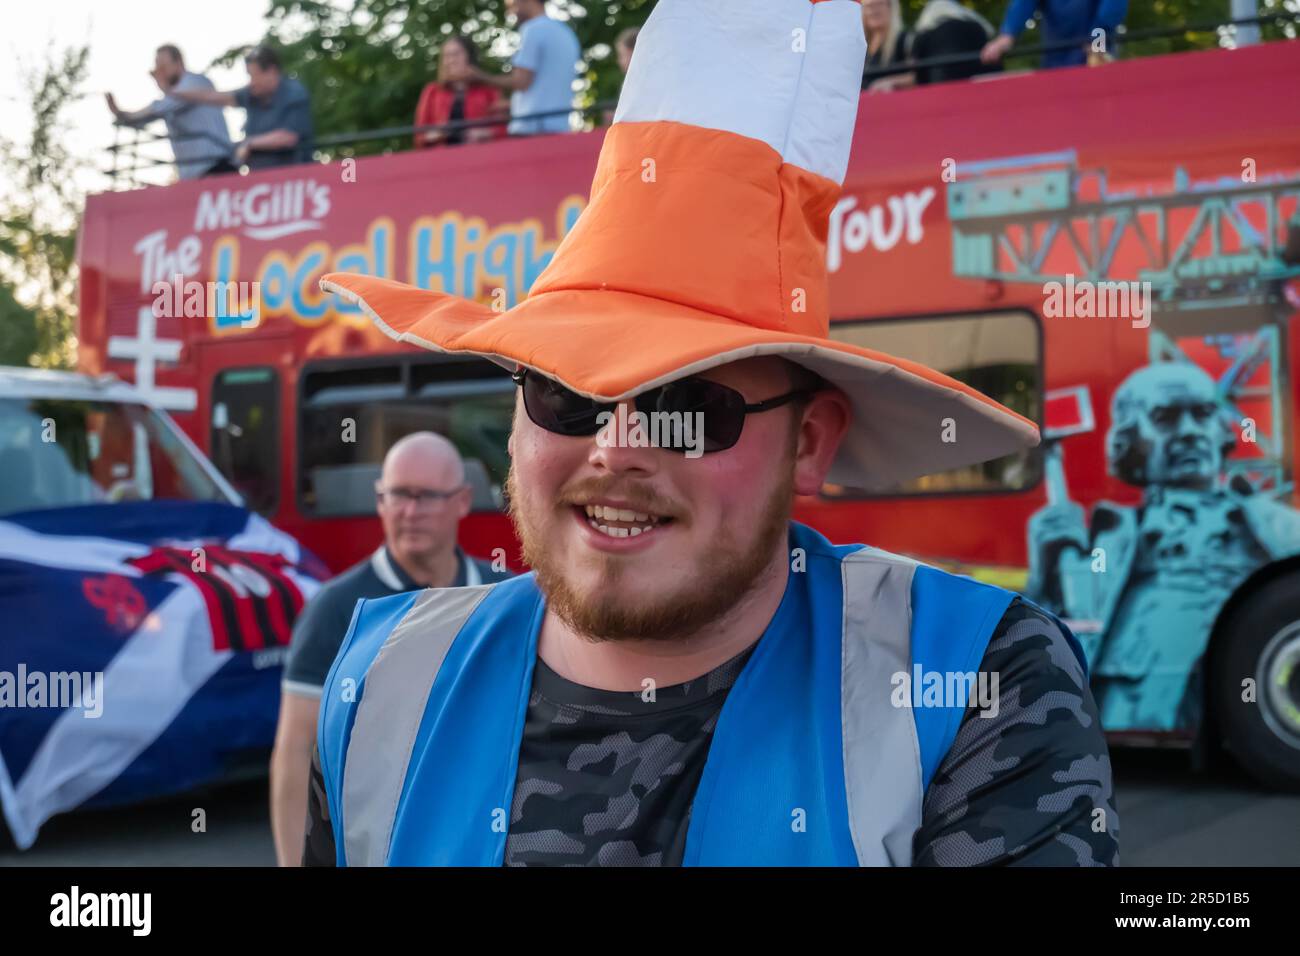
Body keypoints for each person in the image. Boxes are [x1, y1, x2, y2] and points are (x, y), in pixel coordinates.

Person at [314, 0, 1118, 867]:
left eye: (687, 404)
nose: (615, 448)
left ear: (810, 442)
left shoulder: (971, 679)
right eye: (564, 392)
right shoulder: (379, 683)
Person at [269, 432, 512, 867]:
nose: (411, 511)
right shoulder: (337, 609)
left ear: (462, 501)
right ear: (380, 501)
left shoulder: (500, 599)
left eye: (428, 496)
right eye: (399, 494)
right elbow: (296, 748)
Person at [1025, 362, 1300, 732]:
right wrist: (1047, 569)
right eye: (1165, 418)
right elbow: (1059, 636)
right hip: (1138, 698)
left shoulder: (1277, 526)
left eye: (1202, 414)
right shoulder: (1109, 540)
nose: (1189, 432)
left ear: (1221, 430)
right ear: (1131, 441)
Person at [446, 0, 580, 136]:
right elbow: (548, 88)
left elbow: (521, 81)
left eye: (513, 5)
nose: (511, 13)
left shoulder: (533, 29)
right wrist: (511, 105)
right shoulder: (566, 33)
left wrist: (480, 77)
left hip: (531, 128)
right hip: (560, 127)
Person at [168, 45, 313, 170]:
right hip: (261, 183)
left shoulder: (294, 93)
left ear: (271, 71)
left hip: (293, 184)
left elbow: (288, 137)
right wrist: (173, 93)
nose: (251, 82)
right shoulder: (252, 95)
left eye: (253, 75)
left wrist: (249, 143)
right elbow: (215, 97)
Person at [105, 44, 236, 179]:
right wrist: (121, 114)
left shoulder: (197, 82)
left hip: (217, 168)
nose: (159, 72)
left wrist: (127, 114)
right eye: (157, 67)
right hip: (192, 176)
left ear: (178, 62)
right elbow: (142, 119)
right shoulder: (170, 98)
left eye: (163, 66)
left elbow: (162, 106)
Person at [413, 35, 507, 148]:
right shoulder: (432, 91)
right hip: (441, 158)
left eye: (456, 54)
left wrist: (484, 133)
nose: (451, 60)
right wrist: (434, 135)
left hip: (481, 155)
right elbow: (419, 136)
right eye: (446, 56)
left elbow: (503, 129)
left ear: (470, 57)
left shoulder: (489, 89)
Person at [982, 0, 1129, 70]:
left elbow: (1112, 8)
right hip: (1055, 60)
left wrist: (1097, 41)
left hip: (1094, 55)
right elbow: (1023, 4)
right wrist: (1007, 35)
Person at [910, 0, 1001, 86]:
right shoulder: (976, 25)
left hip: (943, 88)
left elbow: (917, 71)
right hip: (980, 85)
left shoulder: (924, 30)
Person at [861, 0, 915, 93]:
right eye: (869, 6)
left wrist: (892, 82)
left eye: (879, 4)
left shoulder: (905, 40)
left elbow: (919, 75)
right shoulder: (861, 48)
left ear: (891, 7)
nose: (873, 10)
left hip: (895, 104)